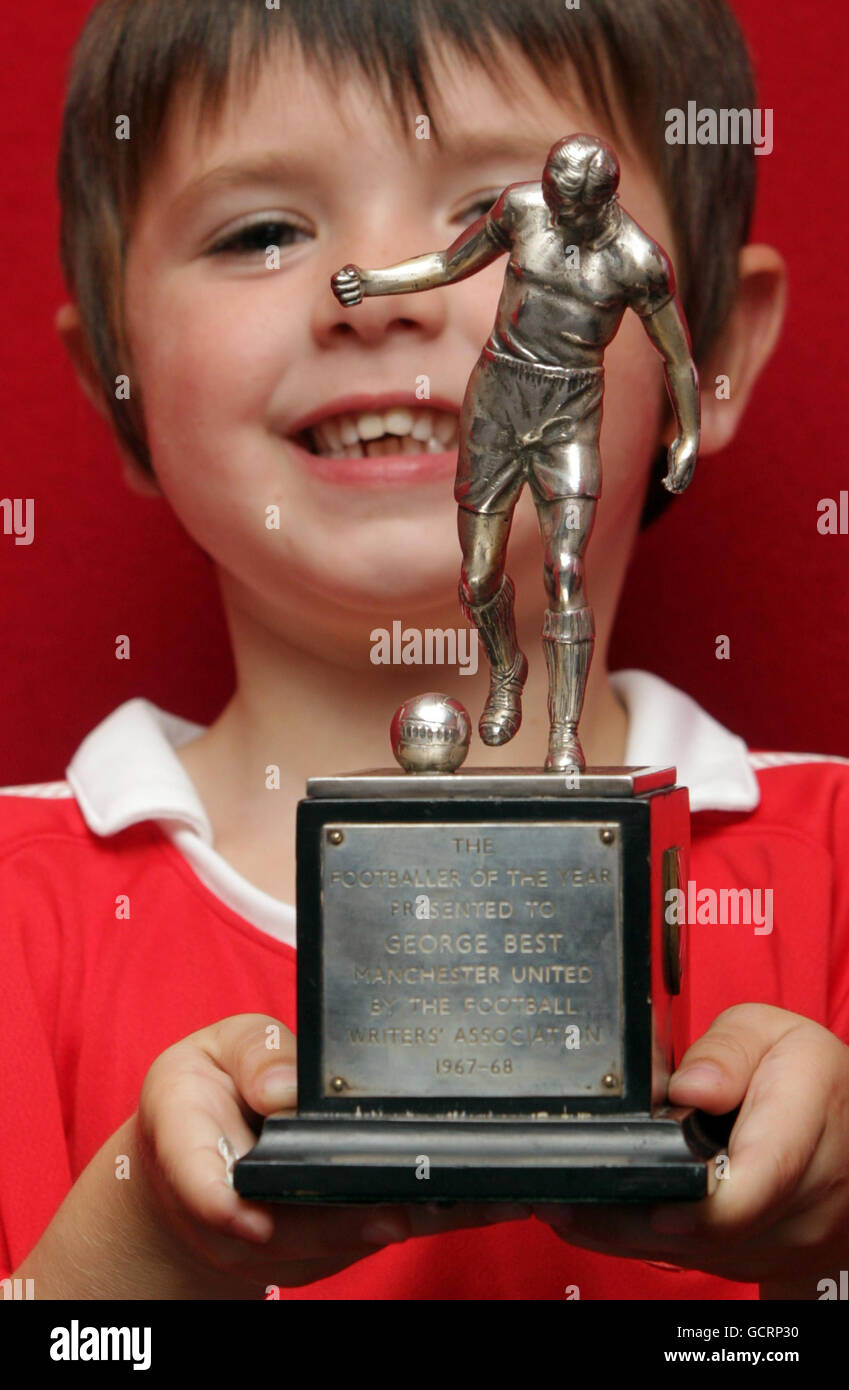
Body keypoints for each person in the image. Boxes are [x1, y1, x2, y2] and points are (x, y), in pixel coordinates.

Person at [2, 0, 848, 1301]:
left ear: (729, 346)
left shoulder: (830, 868)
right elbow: (425, 273)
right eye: (263, 231)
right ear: (113, 383)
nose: (365, 302)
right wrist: (140, 1262)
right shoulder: (22, 912)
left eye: (520, 178)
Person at [331, 132, 700, 770]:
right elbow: (450, 265)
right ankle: (508, 667)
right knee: (477, 579)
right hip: (498, 397)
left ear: (602, 205)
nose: (557, 217)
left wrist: (689, 432)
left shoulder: (638, 261)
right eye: (553, 202)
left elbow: (677, 356)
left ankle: (563, 737)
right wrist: (373, 282)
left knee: (565, 572)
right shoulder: (522, 210)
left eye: (571, 211)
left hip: (571, 414)